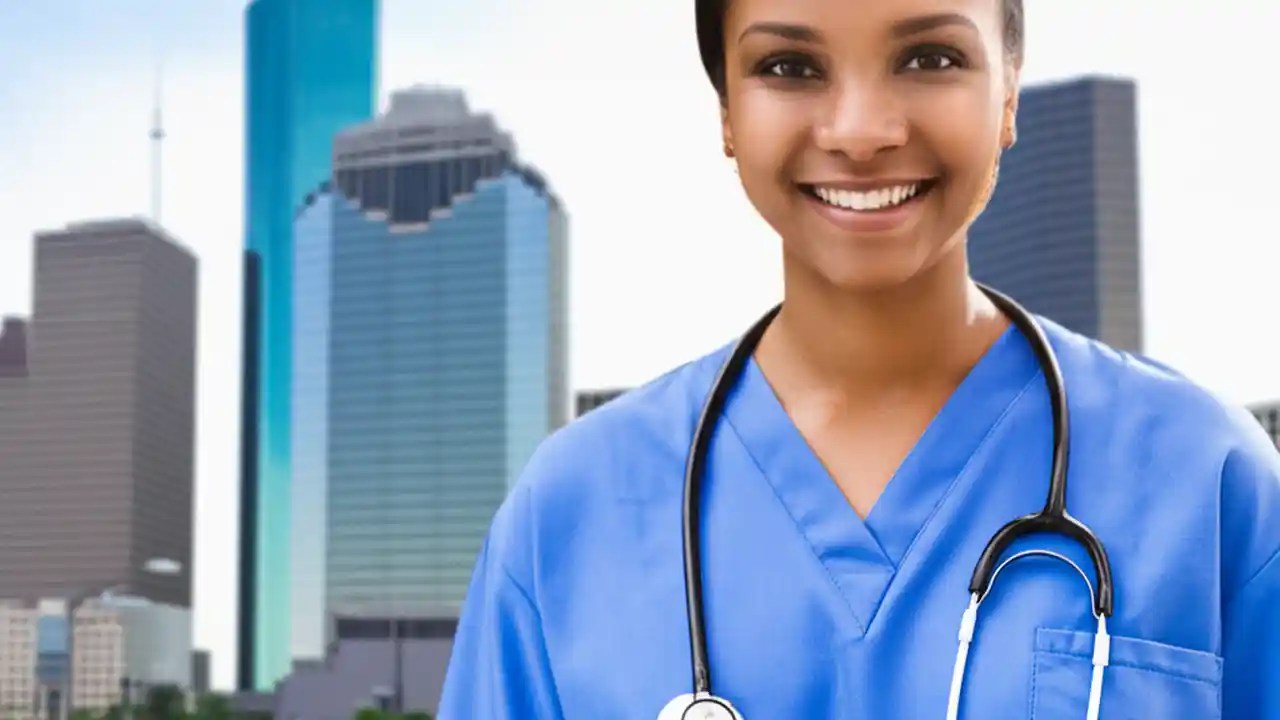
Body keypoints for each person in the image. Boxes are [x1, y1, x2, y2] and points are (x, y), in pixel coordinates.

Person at [438, 0, 1280, 717]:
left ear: (1009, 93)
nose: (862, 132)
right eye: (790, 68)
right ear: (726, 111)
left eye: (930, 56)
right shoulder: (567, 514)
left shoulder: (1206, 481)